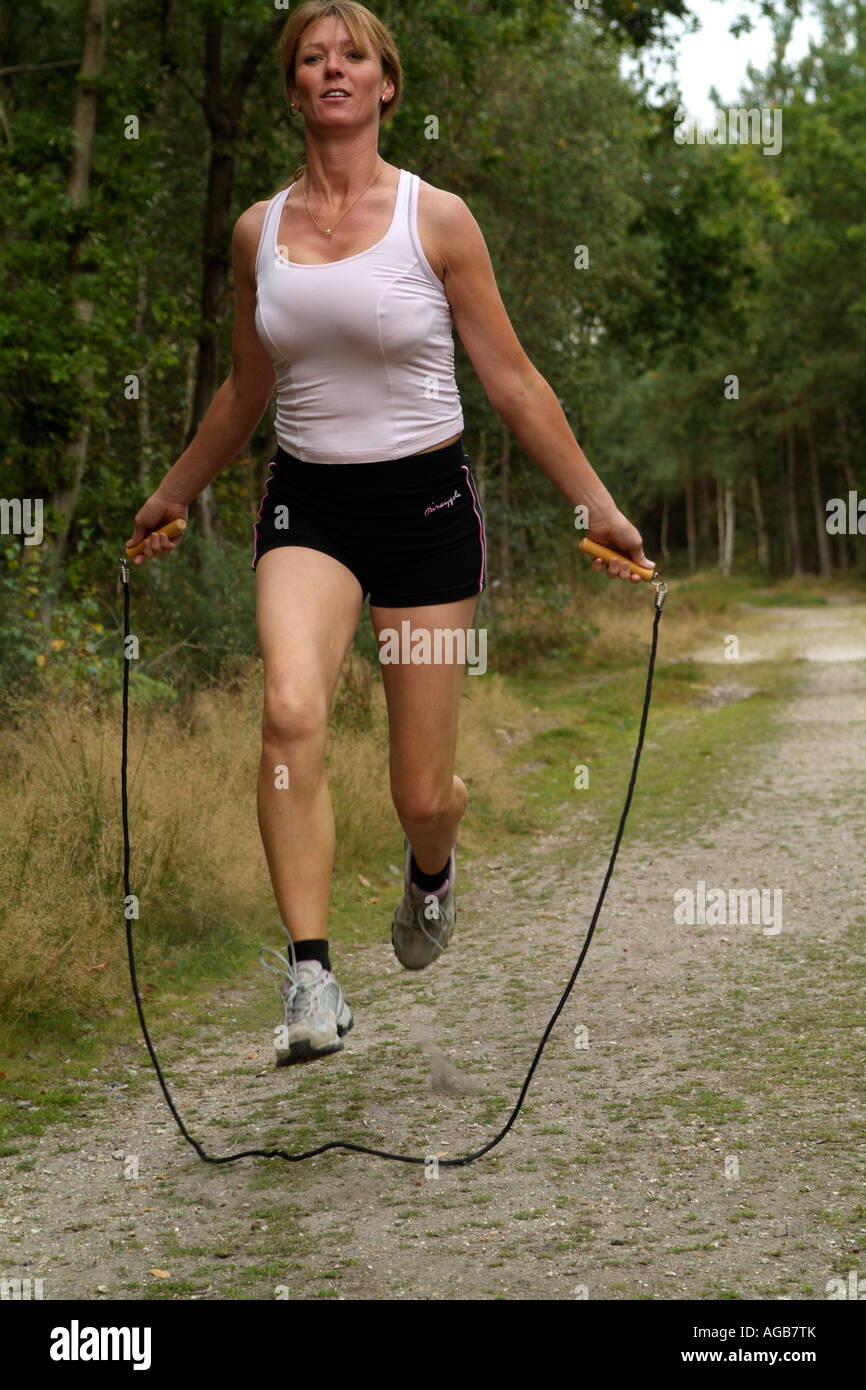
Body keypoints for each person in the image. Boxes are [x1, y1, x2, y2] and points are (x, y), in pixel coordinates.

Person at [126, 0, 652, 1068]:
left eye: (351, 56)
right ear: (292, 90)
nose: (331, 69)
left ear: (384, 86)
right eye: (311, 57)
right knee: (286, 712)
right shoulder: (257, 234)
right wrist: (174, 491)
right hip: (307, 506)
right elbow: (246, 387)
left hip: (422, 513)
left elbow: (508, 378)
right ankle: (310, 974)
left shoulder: (436, 219)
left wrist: (593, 501)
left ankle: (429, 871)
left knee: (420, 791)